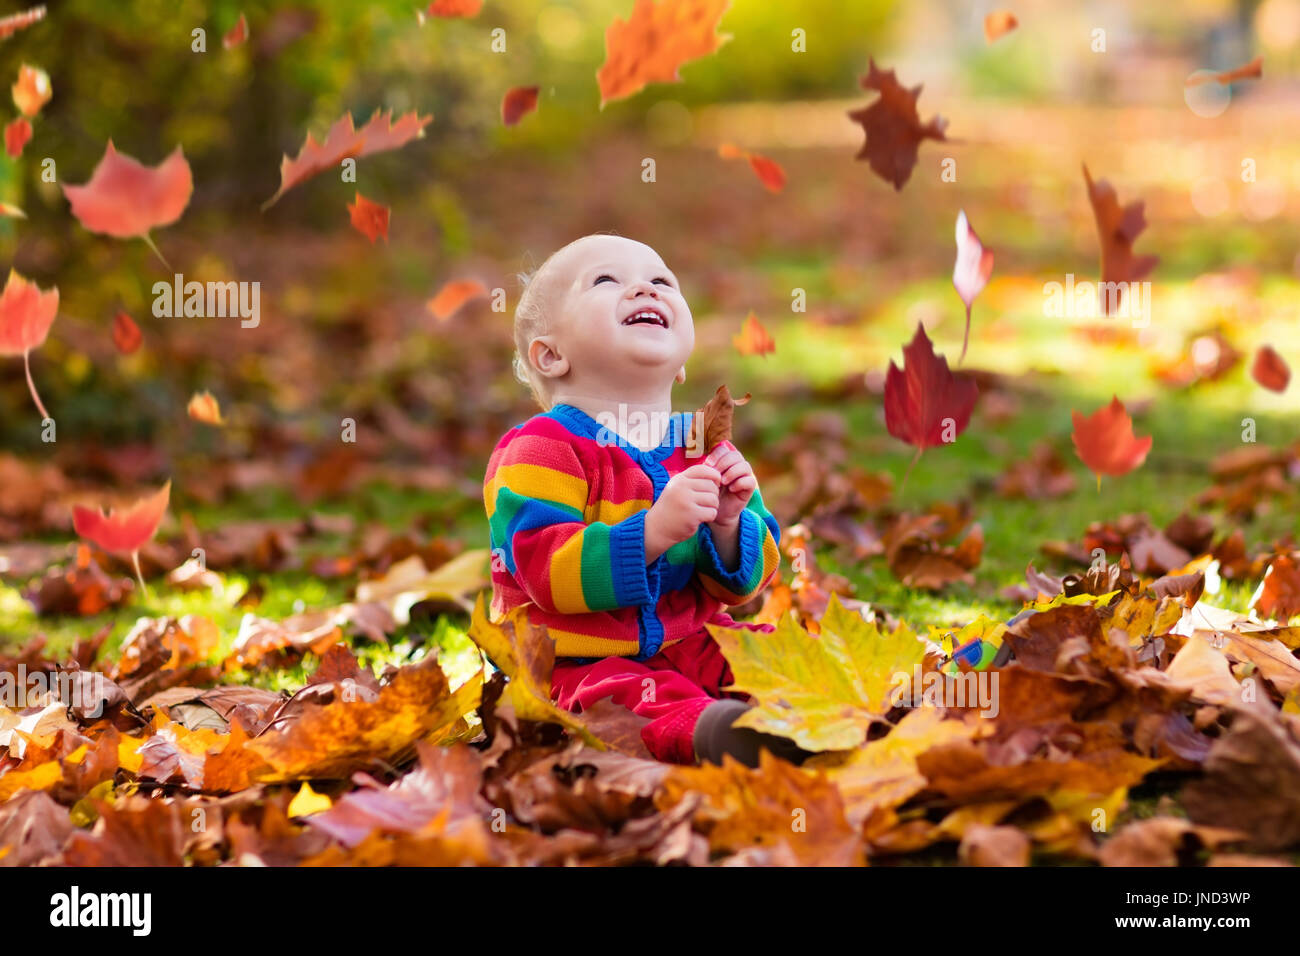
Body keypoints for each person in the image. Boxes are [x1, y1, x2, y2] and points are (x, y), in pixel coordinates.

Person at [483, 233, 813, 768]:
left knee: (775, 655)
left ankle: (843, 707)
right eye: (607, 281)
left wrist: (730, 528)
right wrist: (653, 532)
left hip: (696, 638)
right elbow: (547, 572)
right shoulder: (541, 449)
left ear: (680, 361)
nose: (644, 289)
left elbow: (745, 587)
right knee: (618, 704)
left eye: (662, 281)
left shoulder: (700, 445)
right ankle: (718, 736)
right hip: (579, 657)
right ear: (551, 354)